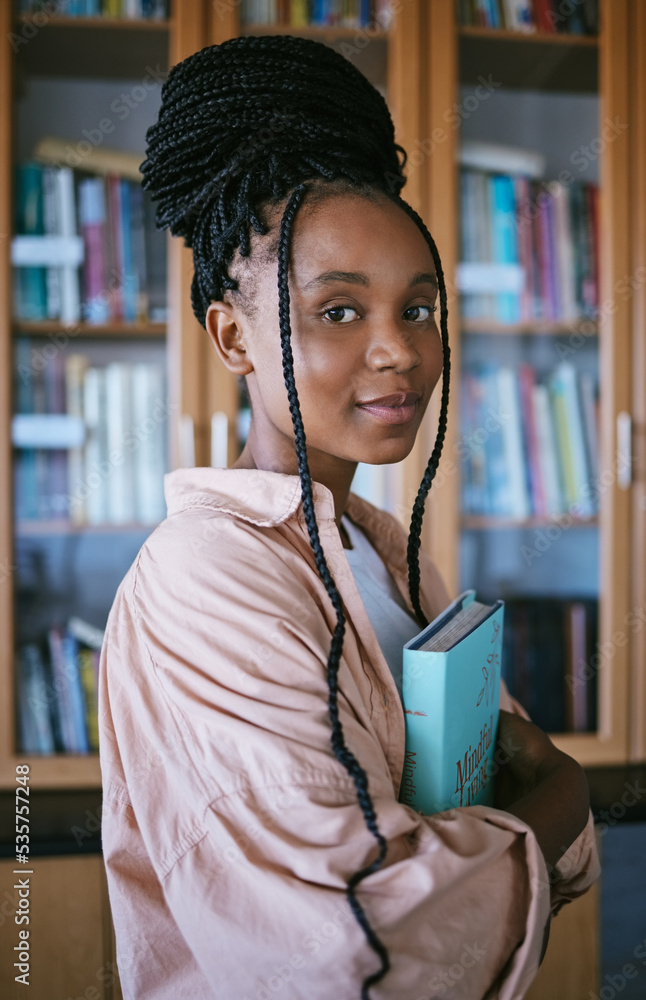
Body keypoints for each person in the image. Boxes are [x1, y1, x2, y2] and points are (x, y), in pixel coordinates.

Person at [98, 33, 600, 1000]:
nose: (398, 352)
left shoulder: (386, 558)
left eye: (418, 308)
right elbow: (355, 943)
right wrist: (565, 801)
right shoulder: (206, 575)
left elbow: (518, 846)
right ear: (232, 335)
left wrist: (520, 833)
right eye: (339, 311)